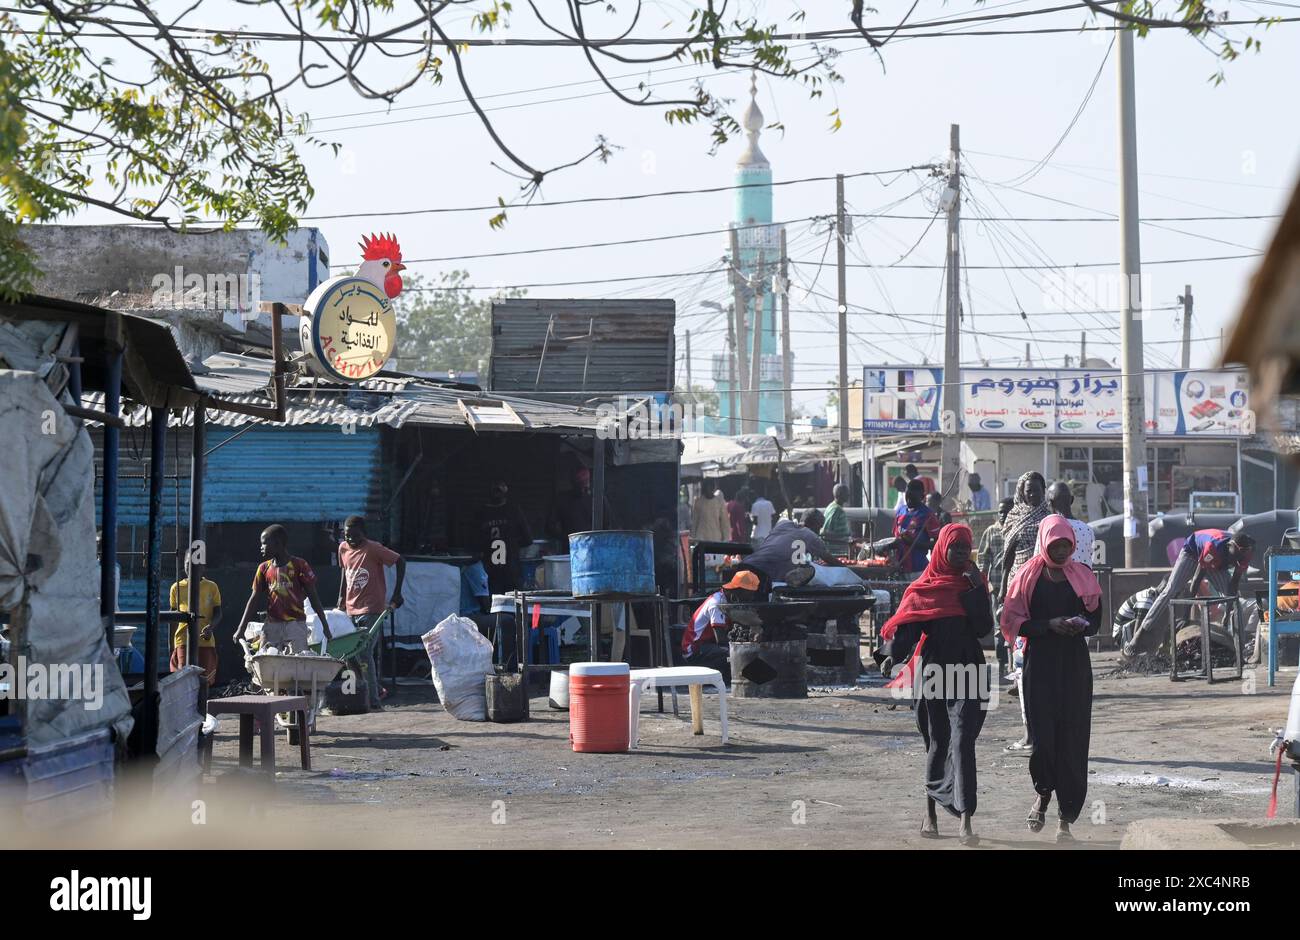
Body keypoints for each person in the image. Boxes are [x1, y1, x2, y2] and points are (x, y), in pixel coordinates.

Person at [878, 524, 992, 845]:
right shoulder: (924, 586)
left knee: (963, 739)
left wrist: (975, 592)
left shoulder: (973, 582)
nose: (959, 554)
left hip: (968, 666)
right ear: (943, 549)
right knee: (936, 739)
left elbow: (984, 628)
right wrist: (892, 655)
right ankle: (930, 813)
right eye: (954, 548)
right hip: (934, 669)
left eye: (964, 549)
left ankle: (966, 819)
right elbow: (910, 629)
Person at [999, 514, 1102, 843]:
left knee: (1072, 741)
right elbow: (1013, 622)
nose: (1060, 551)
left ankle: (1065, 820)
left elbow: (1096, 620)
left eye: (1066, 545)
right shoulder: (1026, 577)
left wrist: (1078, 624)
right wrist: (1048, 625)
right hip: (1039, 665)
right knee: (1043, 740)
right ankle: (1043, 794)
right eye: (1055, 545)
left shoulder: (1082, 575)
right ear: (1044, 542)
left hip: (1074, 666)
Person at [1123, 529, 1255, 658]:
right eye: (1237, 553)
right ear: (1229, 546)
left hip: (1217, 562)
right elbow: (1196, 580)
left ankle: (1239, 651)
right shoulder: (1213, 547)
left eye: (1243, 552)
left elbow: (1234, 583)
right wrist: (1186, 615)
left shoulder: (1245, 553)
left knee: (1235, 601)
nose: (1240, 556)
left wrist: (1228, 610)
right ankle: (1137, 638)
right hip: (1192, 554)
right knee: (1170, 590)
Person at [337, 516, 406, 710]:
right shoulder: (343, 548)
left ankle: (373, 700)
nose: (350, 539)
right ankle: (358, 695)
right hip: (350, 609)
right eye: (346, 535)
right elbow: (345, 573)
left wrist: (397, 592)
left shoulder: (373, 548)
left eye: (354, 535)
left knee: (364, 652)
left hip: (371, 609)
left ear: (363, 533)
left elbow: (400, 561)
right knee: (348, 653)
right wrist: (341, 599)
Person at [234, 525, 333, 655]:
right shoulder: (264, 568)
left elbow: (313, 597)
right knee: (266, 660)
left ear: (277, 544)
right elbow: (253, 599)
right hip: (272, 625)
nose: (261, 547)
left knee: (298, 663)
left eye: (264, 544)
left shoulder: (299, 565)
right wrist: (241, 629)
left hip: (295, 625)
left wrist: (325, 625)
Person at [681, 570, 762, 682]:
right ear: (738, 590)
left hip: (708, 645)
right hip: (694, 650)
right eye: (749, 594)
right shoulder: (716, 603)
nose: (751, 598)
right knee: (736, 653)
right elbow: (721, 639)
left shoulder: (729, 600)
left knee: (743, 650)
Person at [741, 509, 842, 591]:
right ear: (815, 525)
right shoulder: (810, 535)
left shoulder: (782, 524)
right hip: (761, 576)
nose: (819, 531)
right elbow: (829, 558)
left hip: (745, 566)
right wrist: (849, 570)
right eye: (819, 527)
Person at [996, 471, 1051, 604]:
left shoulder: (1050, 516)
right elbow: (1008, 555)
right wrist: (1003, 587)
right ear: (1022, 493)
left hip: (1043, 578)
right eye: (1029, 491)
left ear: (1043, 491)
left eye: (1037, 490)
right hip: (1017, 576)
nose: (1033, 494)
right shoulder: (1014, 517)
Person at [169, 551, 221, 685]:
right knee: (183, 681)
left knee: (204, 681)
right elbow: (172, 618)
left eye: (195, 565)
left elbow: (218, 613)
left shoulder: (211, 587)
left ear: (203, 566)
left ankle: (202, 706)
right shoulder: (176, 588)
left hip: (205, 641)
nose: (191, 569)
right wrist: (171, 645)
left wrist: (211, 627)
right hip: (183, 640)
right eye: (188, 564)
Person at [474, 480, 534, 595]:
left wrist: (511, 545)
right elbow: (527, 539)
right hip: (497, 567)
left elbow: (527, 539)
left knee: (507, 598)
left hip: (505, 566)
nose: (497, 494)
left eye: (499, 490)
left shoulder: (513, 510)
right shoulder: (483, 513)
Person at [980, 496, 1015, 677]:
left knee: (1015, 626)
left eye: (1007, 511)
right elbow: (983, 558)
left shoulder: (1018, 530)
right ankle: (1001, 664)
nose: (1003, 515)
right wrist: (983, 582)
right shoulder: (991, 532)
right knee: (998, 628)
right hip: (996, 586)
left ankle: (1013, 665)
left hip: (1015, 587)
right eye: (1000, 511)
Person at [893, 479, 942, 580]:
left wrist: (913, 543)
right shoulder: (900, 511)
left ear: (922, 497)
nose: (909, 500)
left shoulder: (927, 515)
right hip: (899, 568)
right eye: (907, 497)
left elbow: (938, 544)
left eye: (913, 498)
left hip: (918, 570)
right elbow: (895, 537)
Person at [1046, 482, 1094, 567]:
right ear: (1072, 500)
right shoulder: (1088, 529)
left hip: (1060, 579)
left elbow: (1038, 560)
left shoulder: (1049, 528)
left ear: (1050, 503)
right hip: (1084, 578)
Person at [821, 483, 853, 557]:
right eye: (846, 493)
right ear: (840, 494)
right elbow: (825, 532)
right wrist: (845, 536)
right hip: (837, 551)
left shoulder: (834, 507)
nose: (848, 495)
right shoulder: (836, 510)